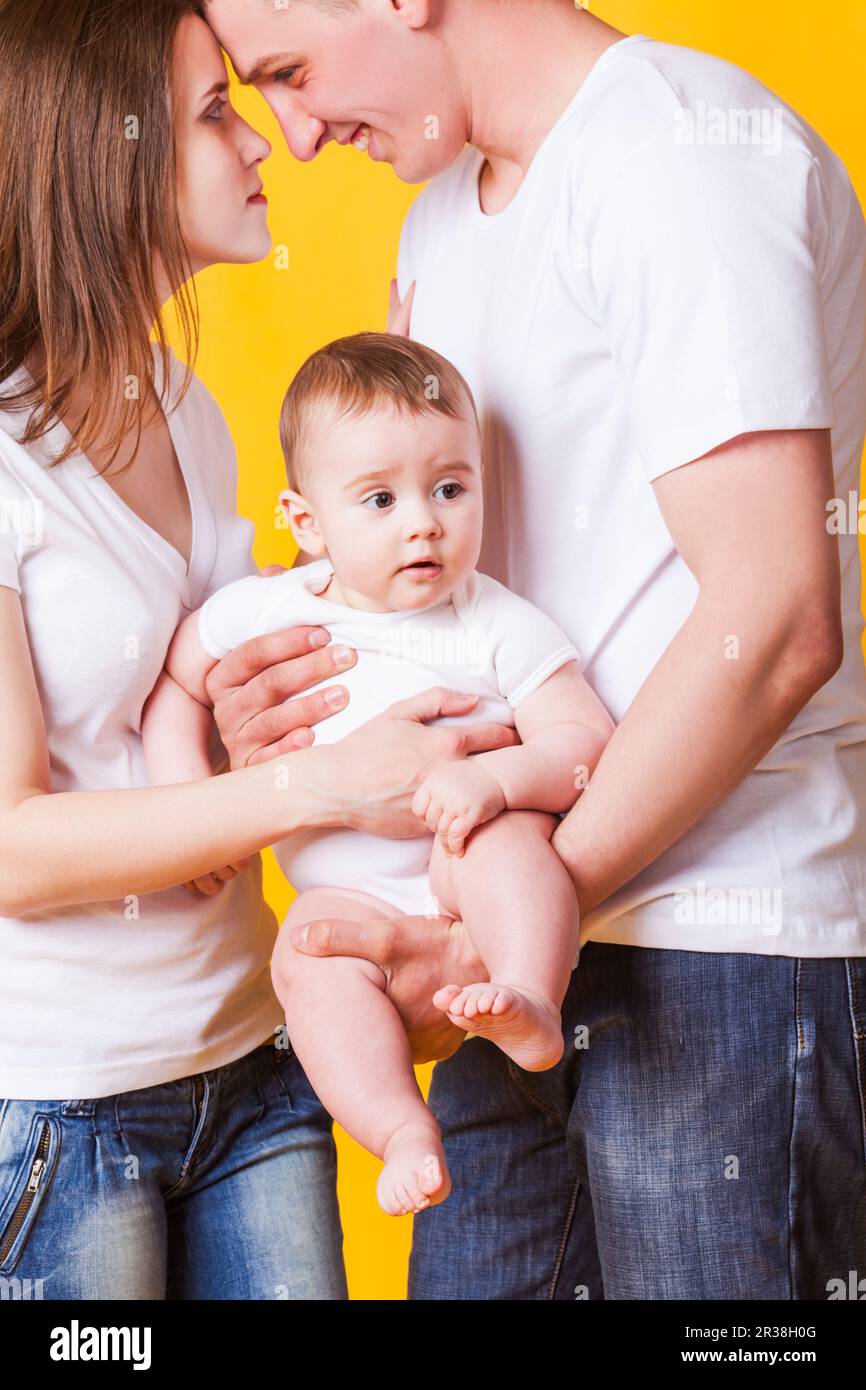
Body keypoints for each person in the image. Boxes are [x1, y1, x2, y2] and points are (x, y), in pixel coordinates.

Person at [201, 0, 866, 1298]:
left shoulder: (675, 156)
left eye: (286, 71)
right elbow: (434, 563)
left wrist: (512, 921)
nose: (296, 130)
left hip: (715, 938)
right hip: (512, 946)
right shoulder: (442, 216)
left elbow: (775, 616)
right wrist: (293, 687)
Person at [0, 0, 516, 1300]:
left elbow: (261, 672)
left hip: (251, 1057)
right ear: (98, 149)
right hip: (61, 1107)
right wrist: (324, 783)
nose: (265, 141)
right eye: (216, 110)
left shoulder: (180, 406)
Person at [141, 330, 614, 1215]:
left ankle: (528, 996)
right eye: (381, 500)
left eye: (449, 488)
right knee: (306, 957)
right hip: (348, 904)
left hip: (457, 865)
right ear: (306, 521)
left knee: (502, 845)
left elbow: (584, 742)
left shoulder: (492, 620)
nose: (423, 522)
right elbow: (178, 681)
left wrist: (499, 783)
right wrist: (194, 801)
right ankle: (399, 1128)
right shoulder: (264, 608)